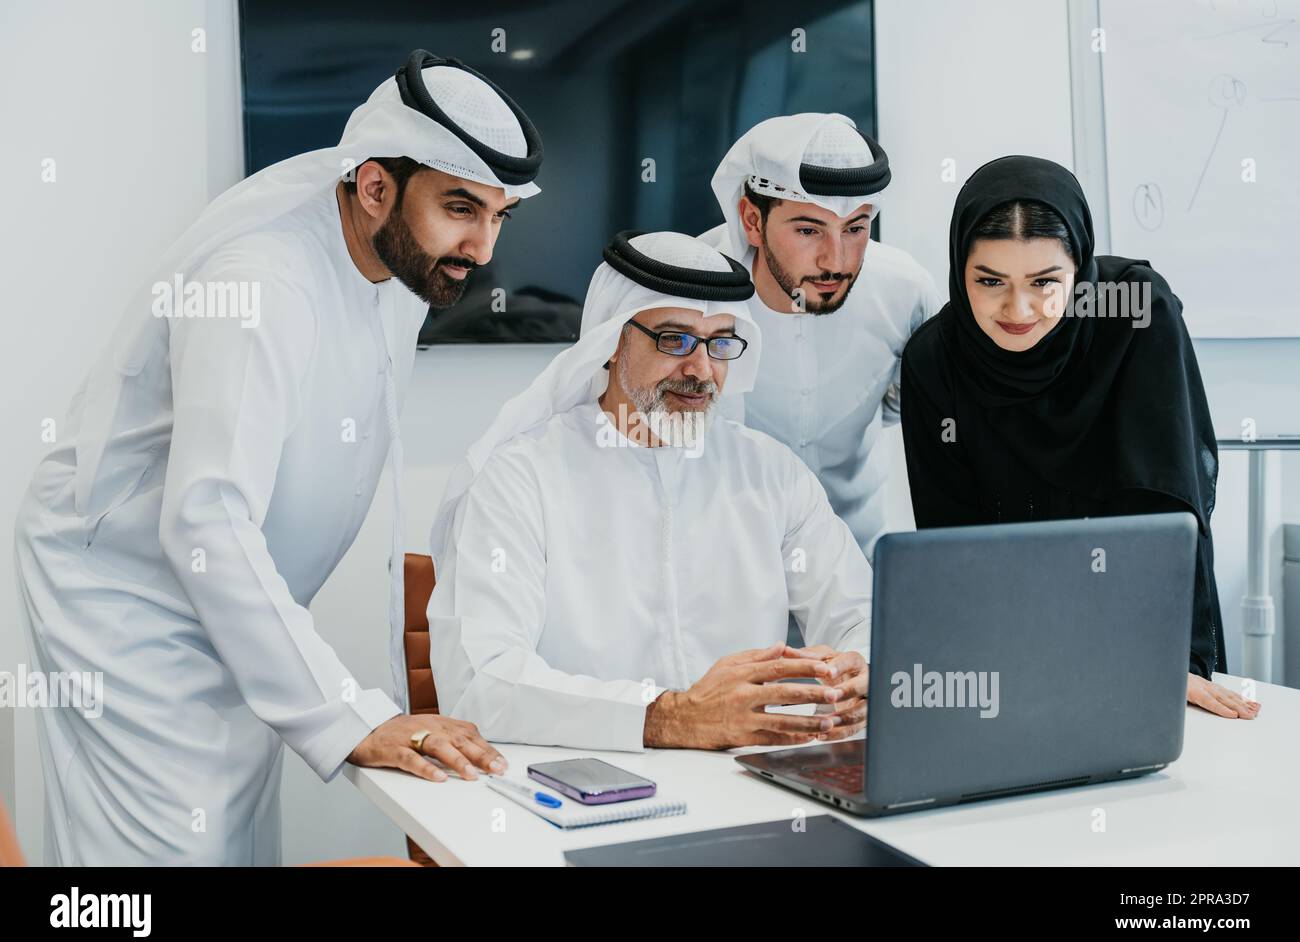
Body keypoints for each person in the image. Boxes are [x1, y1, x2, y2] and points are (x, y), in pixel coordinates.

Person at [13, 51, 542, 865]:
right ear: (373, 187)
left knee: (235, 834)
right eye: (461, 208)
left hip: (222, 598)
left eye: (499, 215)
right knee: (169, 848)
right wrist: (350, 714)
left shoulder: (398, 259)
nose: (482, 245)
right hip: (127, 601)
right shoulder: (261, 284)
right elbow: (207, 517)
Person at [424, 231, 873, 752]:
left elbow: (860, 615)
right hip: (582, 781)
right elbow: (483, 683)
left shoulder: (771, 474)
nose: (701, 370)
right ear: (611, 343)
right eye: (674, 339)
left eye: (721, 343)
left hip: (752, 778)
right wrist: (673, 718)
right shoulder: (520, 477)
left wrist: (860, 666)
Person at [899, 155, 1259, 721]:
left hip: (1144, 636)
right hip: (1008, 655)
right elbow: (956, 548)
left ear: (1081, 270)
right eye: (990, 282)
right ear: (958, 269)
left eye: (1046, 283)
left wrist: (1168, 659)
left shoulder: (1137, 315)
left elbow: (1167, 505)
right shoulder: (933, 361)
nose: (1019, 310)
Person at [699, 113, 941, 568]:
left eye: (855, 228)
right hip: (726, 581)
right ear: (752, 220)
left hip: (860, 570)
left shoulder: (905, 291)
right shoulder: (692, 296)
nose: (837, 260)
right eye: (809, 230)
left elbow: (908, 406)